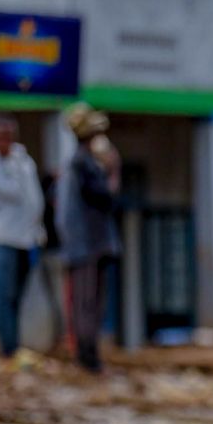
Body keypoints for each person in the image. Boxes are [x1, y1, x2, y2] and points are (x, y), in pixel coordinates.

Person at [55, 103, 121, 372]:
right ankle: (88, 360)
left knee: (89, 304)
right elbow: (105, 197)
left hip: (89, 245)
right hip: (87, 247)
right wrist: (114, 171)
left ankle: (89, 357)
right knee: (86, 304)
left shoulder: (80, 163)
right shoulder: (83, 164)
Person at [0, 113, 45, 358]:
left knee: (17, 295)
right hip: (5, 238)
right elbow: (11, 193)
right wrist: (14, 165)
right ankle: (8, 351)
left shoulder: (24, 160)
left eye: (9, 136)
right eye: (1, 137)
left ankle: (15, 346)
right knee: (3, 296)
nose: (6, 142)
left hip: (28, 238)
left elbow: (34, 198)